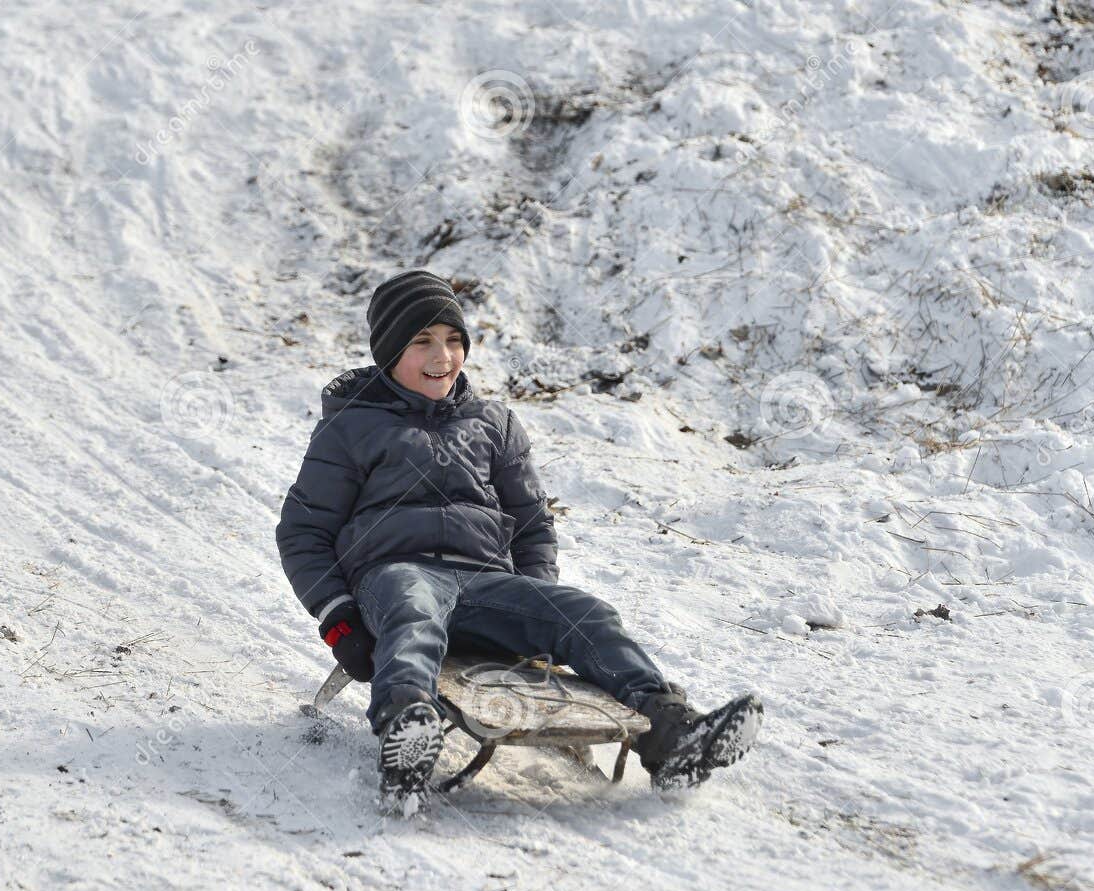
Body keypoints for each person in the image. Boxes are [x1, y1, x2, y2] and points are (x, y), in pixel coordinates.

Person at [276, 269, 762, 809]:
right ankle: (407, 731)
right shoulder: (351, 429)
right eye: (422, 342)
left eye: (454, 340)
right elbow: (304, 530)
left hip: (485, 582)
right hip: (395, 574)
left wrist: (534, 606)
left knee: (588, 613)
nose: (444, 356)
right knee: (412, 611)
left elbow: (532, 524)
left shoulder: (493, 424)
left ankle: (671, 735)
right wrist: (340, 621)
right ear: (389, 352)